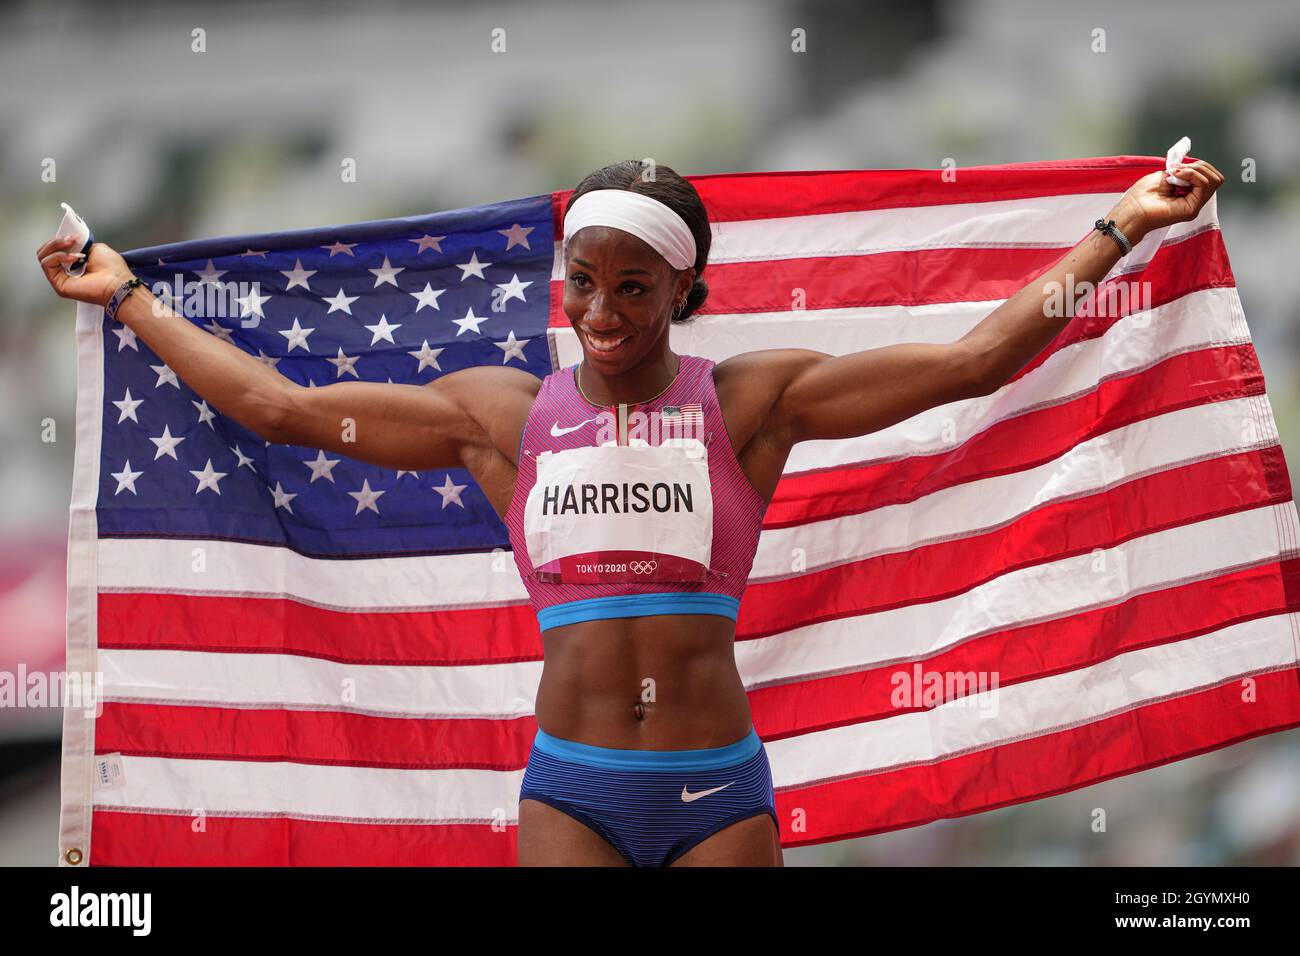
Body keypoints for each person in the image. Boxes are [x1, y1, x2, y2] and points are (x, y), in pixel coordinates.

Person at [37, 156, 1224, 867]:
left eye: (633, 287)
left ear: (681, 289)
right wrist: (128, 296)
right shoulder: (500, 413)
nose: (602, 310)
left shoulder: (754, 401)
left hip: (716, 786)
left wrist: (1124, 222)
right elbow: (283, 408)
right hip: (574, 785)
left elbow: (973, 362)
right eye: (584, 283)